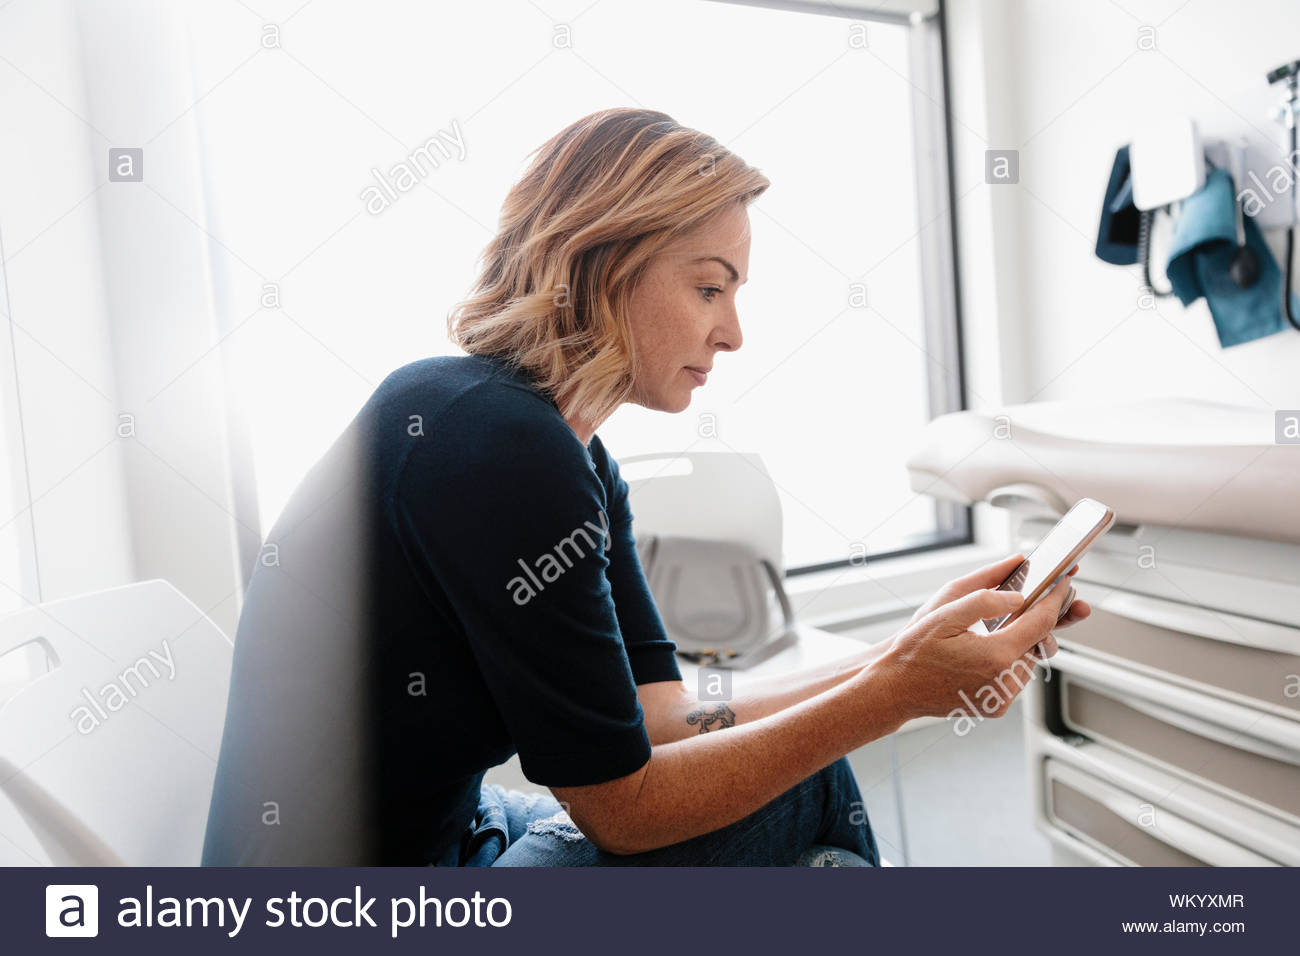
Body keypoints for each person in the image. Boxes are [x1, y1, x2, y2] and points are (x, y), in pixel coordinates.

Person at [200, 107, 1089, 868]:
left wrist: (904, 654)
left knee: (803, 765)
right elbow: (621, 809)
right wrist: (894, 693)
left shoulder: (567, 453)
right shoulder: (491, 441)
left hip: (459, 836)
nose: (733, 332)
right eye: (710, 287)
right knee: (812, 780)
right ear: (600, 262)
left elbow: (659, 718)